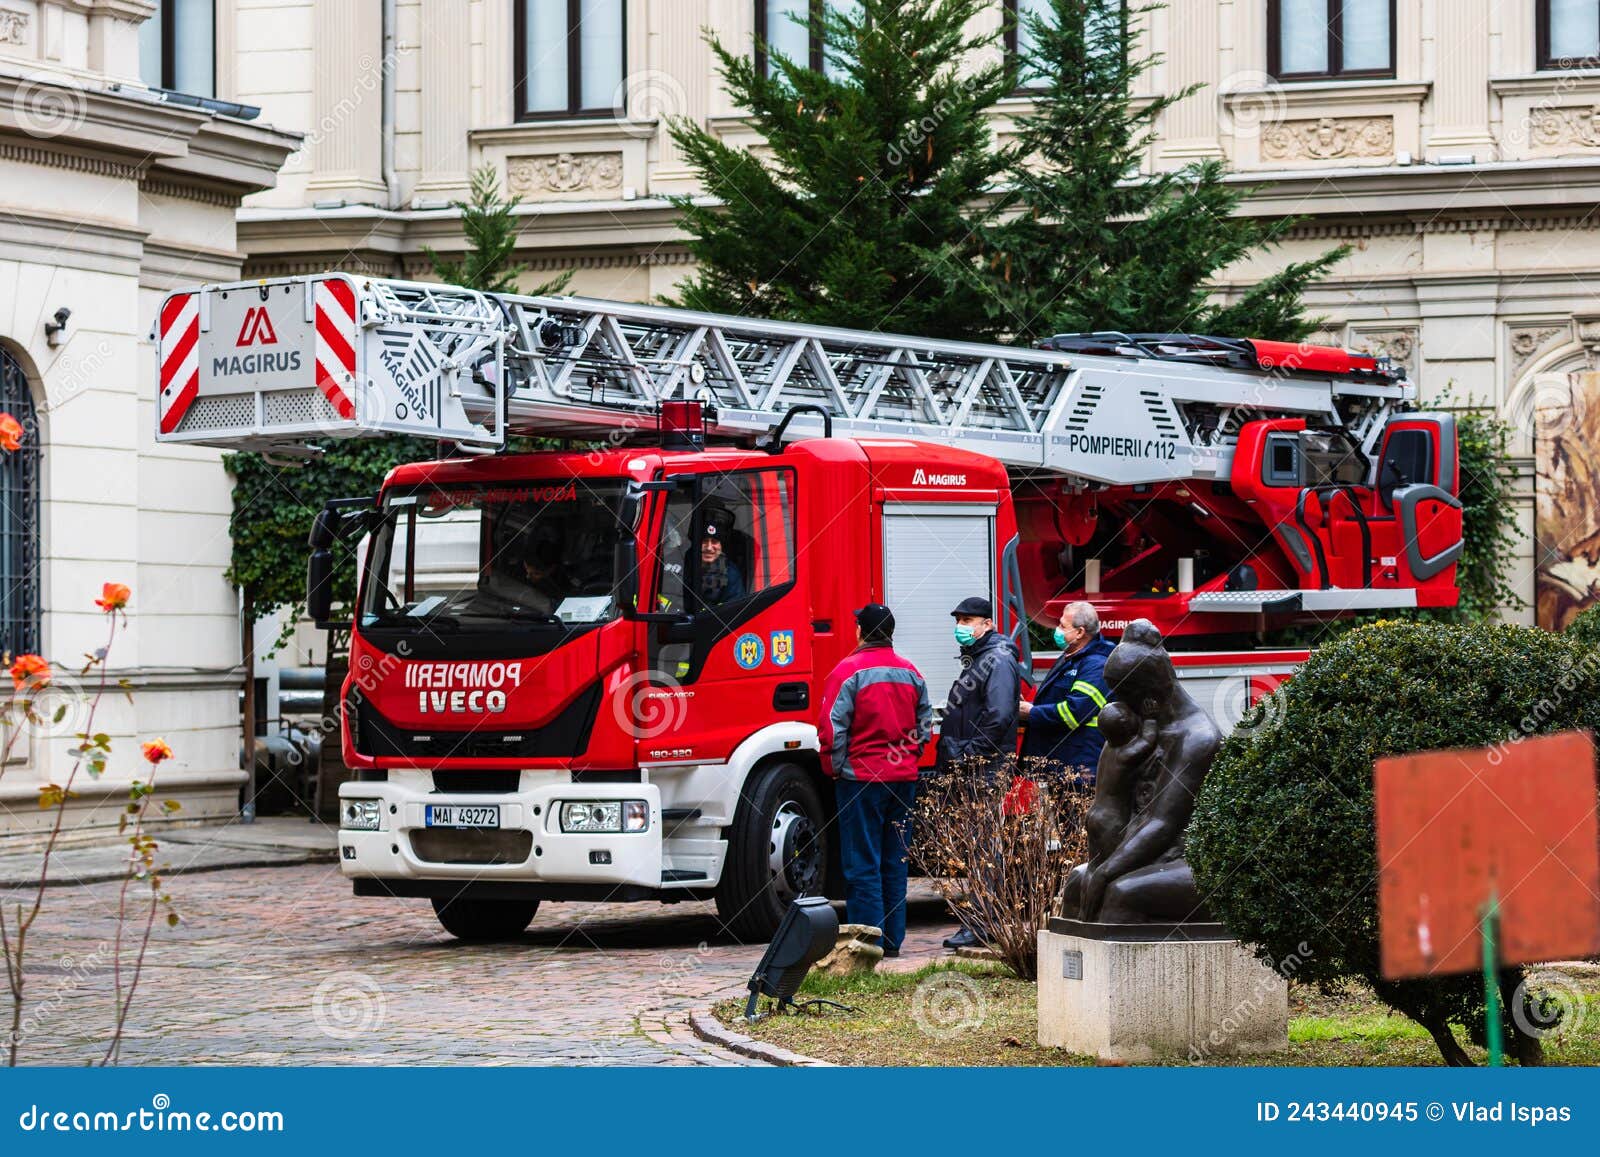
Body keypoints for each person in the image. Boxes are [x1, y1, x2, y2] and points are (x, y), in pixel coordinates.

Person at [817, 604, 932, 958]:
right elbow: (925, 727)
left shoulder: (846, 671)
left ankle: (868, 945)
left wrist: (834, 768)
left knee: (862, 864)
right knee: (894, 862)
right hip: (903, 779)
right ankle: (893, 941)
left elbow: (831, 730)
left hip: (861, 781)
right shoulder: (911, 672)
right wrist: (908, 757)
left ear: (860, 631)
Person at [934, 595, 1022, 950]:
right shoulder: (982, 657)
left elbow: (999, 715)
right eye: (958, 620)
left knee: (984, 846)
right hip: (977, 764)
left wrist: (970, 753)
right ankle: (982, 922)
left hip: (984, 767)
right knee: (979, 845)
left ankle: (983, 924)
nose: (961, 626)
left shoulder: (996, 659)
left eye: (968, 620)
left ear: (988, 624)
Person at [1019, 600, 1115, 787]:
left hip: (1079, 769)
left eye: (1063, 626)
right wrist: (1028, 709)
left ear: (1079, 632)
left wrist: (1031, 712)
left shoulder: (1096, 665)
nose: (1057, 630)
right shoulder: (1071, 657)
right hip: (1063, 763)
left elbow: (1074, 712)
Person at [697, 507, 745, 606]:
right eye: (705, 541)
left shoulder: (731, 574)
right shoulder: (682, 563)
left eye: (714, 542)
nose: (709, 547)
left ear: (721, 546)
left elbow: (734, 609)